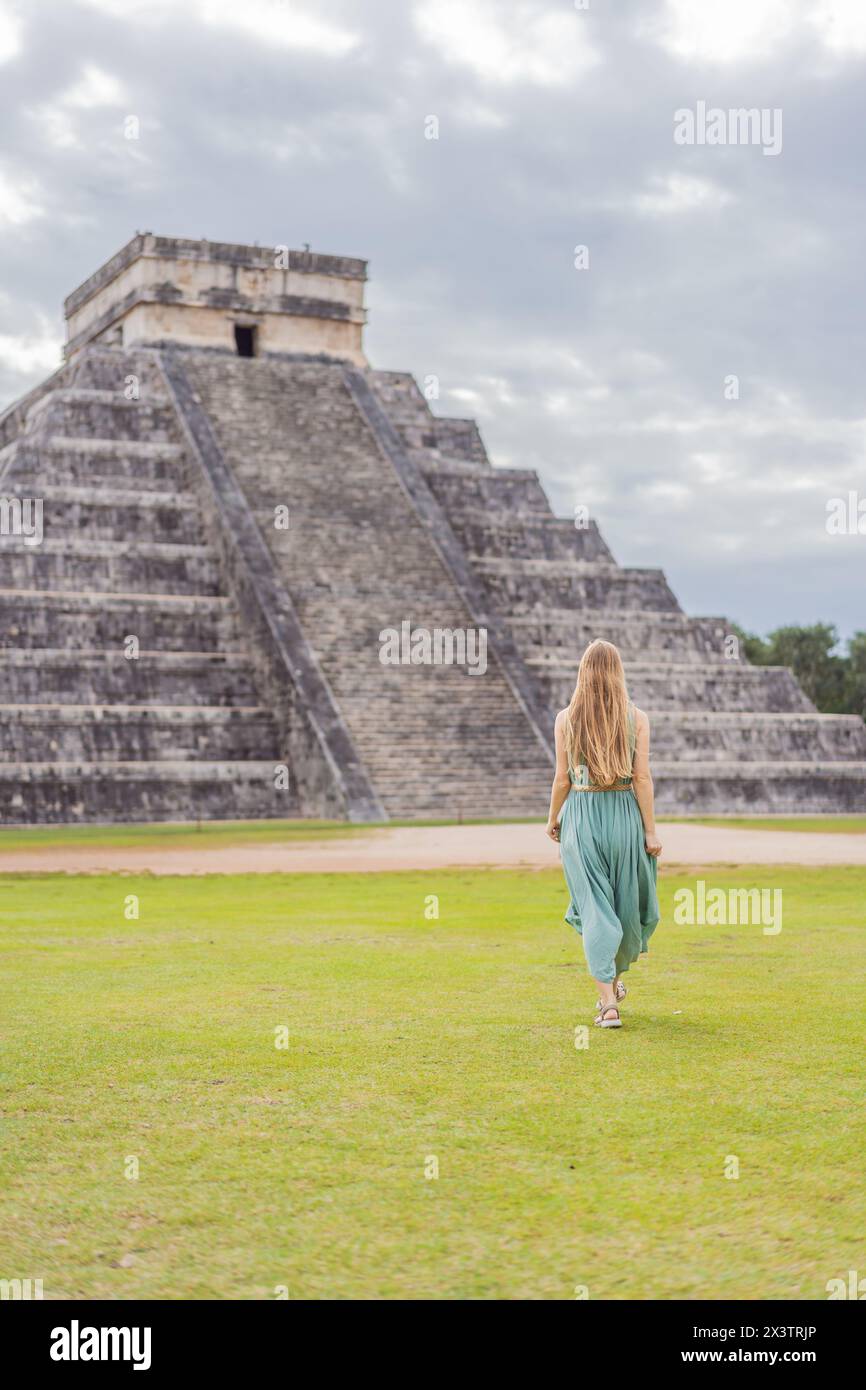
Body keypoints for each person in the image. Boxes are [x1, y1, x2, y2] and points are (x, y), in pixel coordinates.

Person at [546, 639, 661, 1028]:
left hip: (582, 813)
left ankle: (608, 1003)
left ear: (583, 671)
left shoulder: (566, 719)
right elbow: (642, 777)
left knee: (595, 908)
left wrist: (552, 818)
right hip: (624, 814)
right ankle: (612, 989)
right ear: (617, 672)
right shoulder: (637, 718)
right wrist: (650, 831)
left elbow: (562, 779)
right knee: (625, 905)